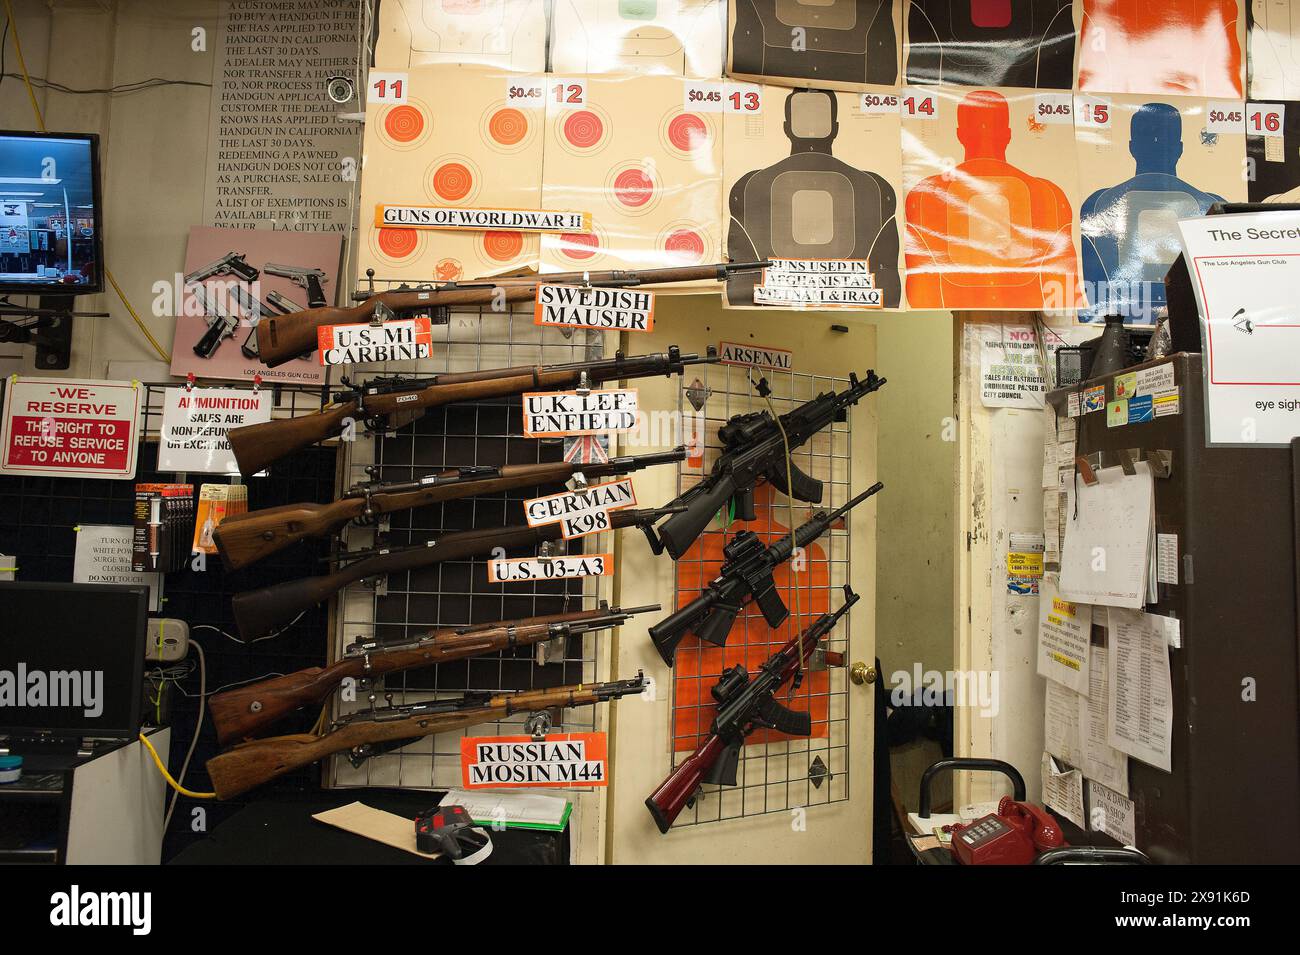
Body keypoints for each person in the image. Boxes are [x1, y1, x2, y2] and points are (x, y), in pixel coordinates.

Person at [905, 89, 1080, 309]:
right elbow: (1066, 292)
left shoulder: (924, 196)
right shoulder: (1050, 196)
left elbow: (919, 295)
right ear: (1008, 134)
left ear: (960, 134)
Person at [727, 88, 901, 307]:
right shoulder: (877, 188)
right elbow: (888, 281)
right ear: (836, 129)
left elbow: (739, 282)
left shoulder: (747, 187)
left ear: (786, 128)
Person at [1080, 103, 1225, 323]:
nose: (1156, 144)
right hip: (1189, 323)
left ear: (1132, 147)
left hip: (1121, 323)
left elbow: (1095, 291)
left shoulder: (1097, 204)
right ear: (1179, 148)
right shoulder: (1212, 206)